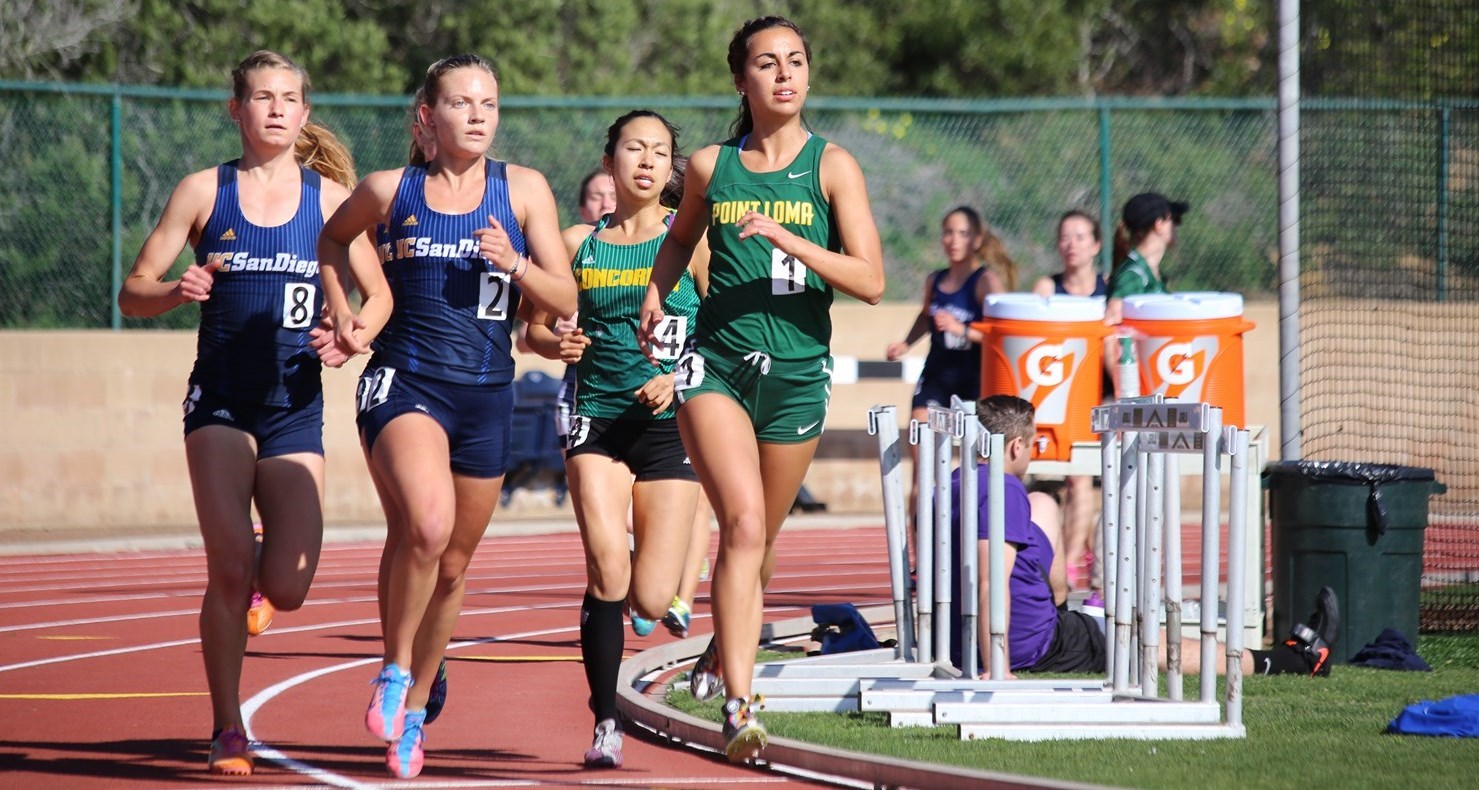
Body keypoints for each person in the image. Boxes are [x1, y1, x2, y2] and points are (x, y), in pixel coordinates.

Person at [316, 53, 578, 779]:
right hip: (405, 381)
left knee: (452, 564)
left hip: (487, 391)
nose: (477, 116)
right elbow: (331, 239)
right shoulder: (388, 189)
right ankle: (394, 669)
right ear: (428, 117)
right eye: (462, 104)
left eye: (488, 105)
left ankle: (420, 706)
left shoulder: (522, 192)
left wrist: (518, 265)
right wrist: (346, 316)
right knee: (425, 526)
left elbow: (565, 300)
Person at [117, 50, 372, 776]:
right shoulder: (204, 191)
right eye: (261, 97)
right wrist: (175, 288)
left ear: (304, 111)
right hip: (221, 402)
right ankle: (228, 724)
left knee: (286, 587)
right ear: (237, 109)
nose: (276, 110)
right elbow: (132, 291)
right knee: (228, 569)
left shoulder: (331, 201)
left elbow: (374, 298)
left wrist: (348, 334)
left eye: (289, 98)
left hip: (295, 409)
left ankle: (262, 582)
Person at [638, 15, 885, 762]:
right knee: (742, 525)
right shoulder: (714, 166)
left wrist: (788, 238)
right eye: (767, 63)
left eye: (796, 61)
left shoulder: (832, 166)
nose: (785, 74)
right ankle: (743, 705)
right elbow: (680, 236)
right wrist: (658, 291)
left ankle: (726, 652)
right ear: (740, 79)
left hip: (799, 377)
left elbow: (870, 280)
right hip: (719, 367)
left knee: (762, 538)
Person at [523, 109, 708, 769]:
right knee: (607, 569)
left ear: (669, 165)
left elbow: (724, 333)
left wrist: (679, 376)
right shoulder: (578, 242)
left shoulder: (692, 240)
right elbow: (533, 331)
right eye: (635, 148)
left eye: (659, 150)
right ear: (612, 160)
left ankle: (645, 559)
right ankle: (605, 720)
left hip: (668, 426)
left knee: (651, 598)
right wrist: (558, 340)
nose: (647, 160)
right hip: (595, 419)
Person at [953, 395, 1340, 680]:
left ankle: (1055, 605)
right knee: (1144, 640)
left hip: (965, 639)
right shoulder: (1004, 490)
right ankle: (1294, 661)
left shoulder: (953, 482)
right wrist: (997, 666)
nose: (1034, 455)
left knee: (1045, 504)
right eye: (1033, 445)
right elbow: (991, 582)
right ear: (1016, 446)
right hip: (1028, 643)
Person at [885, 206, 1003, 544]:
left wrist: (962, 328)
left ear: (977, 239)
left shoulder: (985, 282)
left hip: (975, 382)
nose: (954, 240)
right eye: (948, 232)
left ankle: (972, 548)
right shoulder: (934, 281)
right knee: (923, 469)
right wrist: (905, 343)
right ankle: (920, 557)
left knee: (976, 469)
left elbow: (1002, 333)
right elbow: (926, 317)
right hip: (935, 378)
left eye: (963, 233)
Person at [1030, 210, 1107, 590]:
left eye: (1079, 237)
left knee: (1080, 478)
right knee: (1044, 484)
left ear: (1096, 245)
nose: (1071, 244)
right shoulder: (1047, 287)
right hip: (1054, 395)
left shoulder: (1108, 291)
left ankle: (1073, 562)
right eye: (1065, 237)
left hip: (1092, 400)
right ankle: (1056, 557)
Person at [1104, 192, 1186, 327]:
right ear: (1159, 224)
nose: (1176, 227)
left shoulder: (1149, 272)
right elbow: (1111, 323)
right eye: (1175, 220)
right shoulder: (1133, 274)